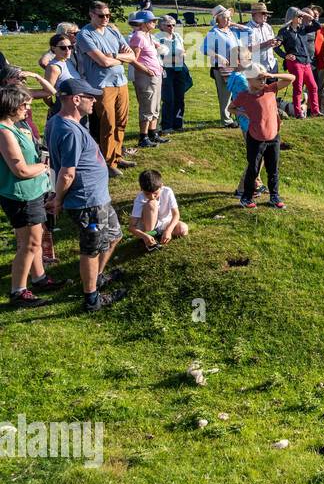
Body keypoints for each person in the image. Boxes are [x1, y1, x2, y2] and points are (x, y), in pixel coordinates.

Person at [46, 77, 126, 311]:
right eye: (90, 97)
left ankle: (97, 277)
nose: (95, 101)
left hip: (97, 198)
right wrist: (58, 199)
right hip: (87, 201)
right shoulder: (69, 131)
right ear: (75, 99)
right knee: (91, 250)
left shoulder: (59, 122)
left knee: (113, 236)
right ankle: (92, 299)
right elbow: (67, 173)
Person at [1, 83, 65, 308]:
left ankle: (39, 278)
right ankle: (18, 291)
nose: (27, 109)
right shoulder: (4, 132)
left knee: (34, 240)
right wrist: (44, 166)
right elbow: (20, 170)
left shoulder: (15, 127)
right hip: (22, 195)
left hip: (31, 192)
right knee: (29, 243)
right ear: (12, 106)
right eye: (25, 105)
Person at [76, 0, 136, 177]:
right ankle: (107, 162)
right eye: (101, 15)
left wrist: (116, 56)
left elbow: (131, 55)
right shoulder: (85, 35)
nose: (106, 18)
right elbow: (102, 61)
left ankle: (117, 155)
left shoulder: (112, 30)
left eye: (108, 15)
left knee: (121, 121)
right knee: (108, 123)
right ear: (91, 15)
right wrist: (121, 58)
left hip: (121, 81)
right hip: (102, 85)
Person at [231, 68, 293, 209]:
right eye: (258, 78)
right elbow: (231, 107)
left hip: (273, 136)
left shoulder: (270, 89)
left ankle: (274, 196)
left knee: (273, 169)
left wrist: (272, 75)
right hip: (255, 137)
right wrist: (241, 112)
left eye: (263, 78)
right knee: (253, 169)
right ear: (249, 79)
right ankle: (246, 197)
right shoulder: (244, 95)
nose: (262, 81)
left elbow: (291, 78)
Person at [127, 10, 167, 150]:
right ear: (143, 23)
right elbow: (132, 58)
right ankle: (143, 137)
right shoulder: (137, 37)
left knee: (155, 105)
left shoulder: (148, 36)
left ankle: (152, 133)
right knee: (147, 105)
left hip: (155, 74)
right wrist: (146, 70)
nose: (155, 23)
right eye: (152, 21)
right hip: (146, 76)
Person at [274, 6, 323, 118]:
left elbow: (318, 26)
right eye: (299, 16)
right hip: (295, 62)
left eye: (302, 16)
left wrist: (309, 16)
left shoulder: (303, 29)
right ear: (292, 17)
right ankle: (298, 112)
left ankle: (315, 111)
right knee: (298, 87)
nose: (301, 18)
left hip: (306, 61)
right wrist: (285, 56)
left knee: (313, 86)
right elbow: (276, 46)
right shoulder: (284, 31)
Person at [202, 5, 244, 128]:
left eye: (229, 17)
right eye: (225, 17)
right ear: (218, 19)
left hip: (235, 65)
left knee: (238, 92)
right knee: (225, 95)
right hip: (221, 67)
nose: (228, 20)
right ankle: (226, 121)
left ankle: (238, 116)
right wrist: (217, 56)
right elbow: (204, 49)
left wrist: (235, 25)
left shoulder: (231, 31)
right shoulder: (214, 32)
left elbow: (249, 31)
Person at [128, 168, 189, 251]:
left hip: (164, 224)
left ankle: (159, 235)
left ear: (161, 186)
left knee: (183, 229)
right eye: (147, 194)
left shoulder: (167, 191)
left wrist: (168, 230)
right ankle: (149, 238)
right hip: (146, 227)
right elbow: (131, 227)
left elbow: (176, 214)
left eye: (155, 193)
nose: (152, 196)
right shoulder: (139, 198)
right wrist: (144, 235)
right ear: (141, 189)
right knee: (151, 203)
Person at [155, 15, 191, 133]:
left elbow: (182, 50)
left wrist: (183, 54)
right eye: (168, 25)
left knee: (180, 98)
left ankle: (178, 123)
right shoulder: (157, 37)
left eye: (174, 25)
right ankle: (166, 126)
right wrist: (173, 58)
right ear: (161, 26)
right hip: (166, 70)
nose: (172, 27)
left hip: (179, 69)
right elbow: (157, 56)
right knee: (168, 98)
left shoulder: (178, 36)